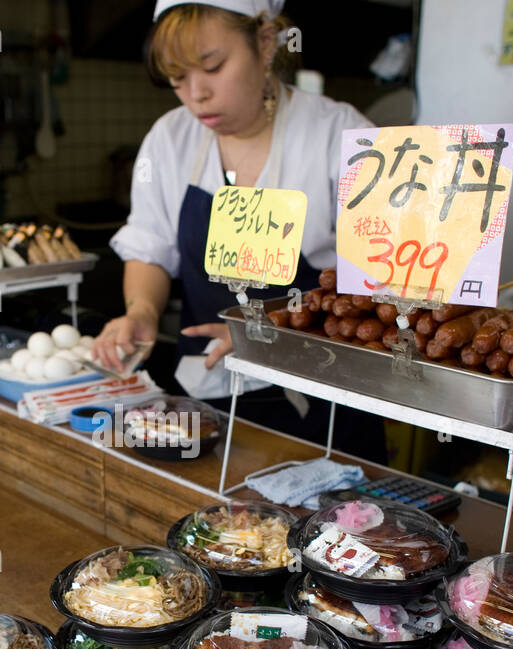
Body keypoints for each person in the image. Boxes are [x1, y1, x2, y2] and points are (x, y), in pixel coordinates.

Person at [92, 0, 388, 458]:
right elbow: (149, 246)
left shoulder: (341, 136)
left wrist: (274, 334)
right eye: (177, 78)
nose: (196, 95)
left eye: (212, 67)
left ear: (266, 42)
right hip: (209, 406)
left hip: (327, 404)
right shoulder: (169, 140)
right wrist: (142, 311)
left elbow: (382, 287)